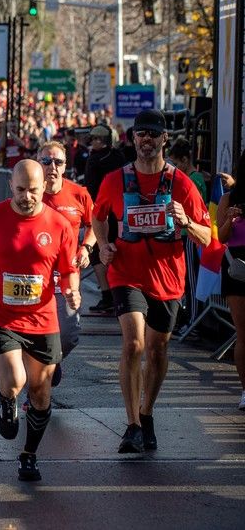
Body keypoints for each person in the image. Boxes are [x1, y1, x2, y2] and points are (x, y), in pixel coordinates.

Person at [91, 109, 210, 453]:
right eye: (140, 133)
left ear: (164, 139)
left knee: (157, 349)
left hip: (167, 279)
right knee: (133, 344)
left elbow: (207, 238)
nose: (146, 139)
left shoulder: (181, 183)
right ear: (132, 139)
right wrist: (103, 244)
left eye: (152, 134)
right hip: (126, 273)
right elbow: (98, 218)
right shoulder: (115, 180)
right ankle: (130, 425)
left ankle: (146, 414)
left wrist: (186, 220)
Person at [0, 160, 80, 482]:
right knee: (14, 379)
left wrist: (72, 291)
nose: (27, 196)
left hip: (42, 317)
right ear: (11, 185)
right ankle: (6, 398)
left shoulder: (58, 225)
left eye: (34, 190)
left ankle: (29, 455)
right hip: (1, 314)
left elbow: (69, 269)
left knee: (40, 392)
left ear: (45, 188)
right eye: (21, 189)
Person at [38, 140, 95, 388]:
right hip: (35, 276)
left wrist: (87, 247)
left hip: (67, 276)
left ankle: (53, 360)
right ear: (38, 164)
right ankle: (38, 380)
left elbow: (95, 225)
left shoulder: (78, 194)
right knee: (36, 332)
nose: (52, 166)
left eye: (58, 162)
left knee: (69, 335)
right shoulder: (31, 193)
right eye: (46, 161)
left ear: (65, 166)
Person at [84, 124, 126, 314]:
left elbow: (91, 189)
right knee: (117, 251)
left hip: (104, 212)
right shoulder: (119, 157)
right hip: (122, 210)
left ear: (104, 140)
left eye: (97, 139)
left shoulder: (94, 160)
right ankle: (118, 296)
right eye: (93, 139)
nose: (94, 142)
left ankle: (108, 295)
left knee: (98, 253)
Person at [215, 149, 245, 411]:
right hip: (237, 270)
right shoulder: (228, 199)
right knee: (243, 334)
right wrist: (232, 221)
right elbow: (221, 238)